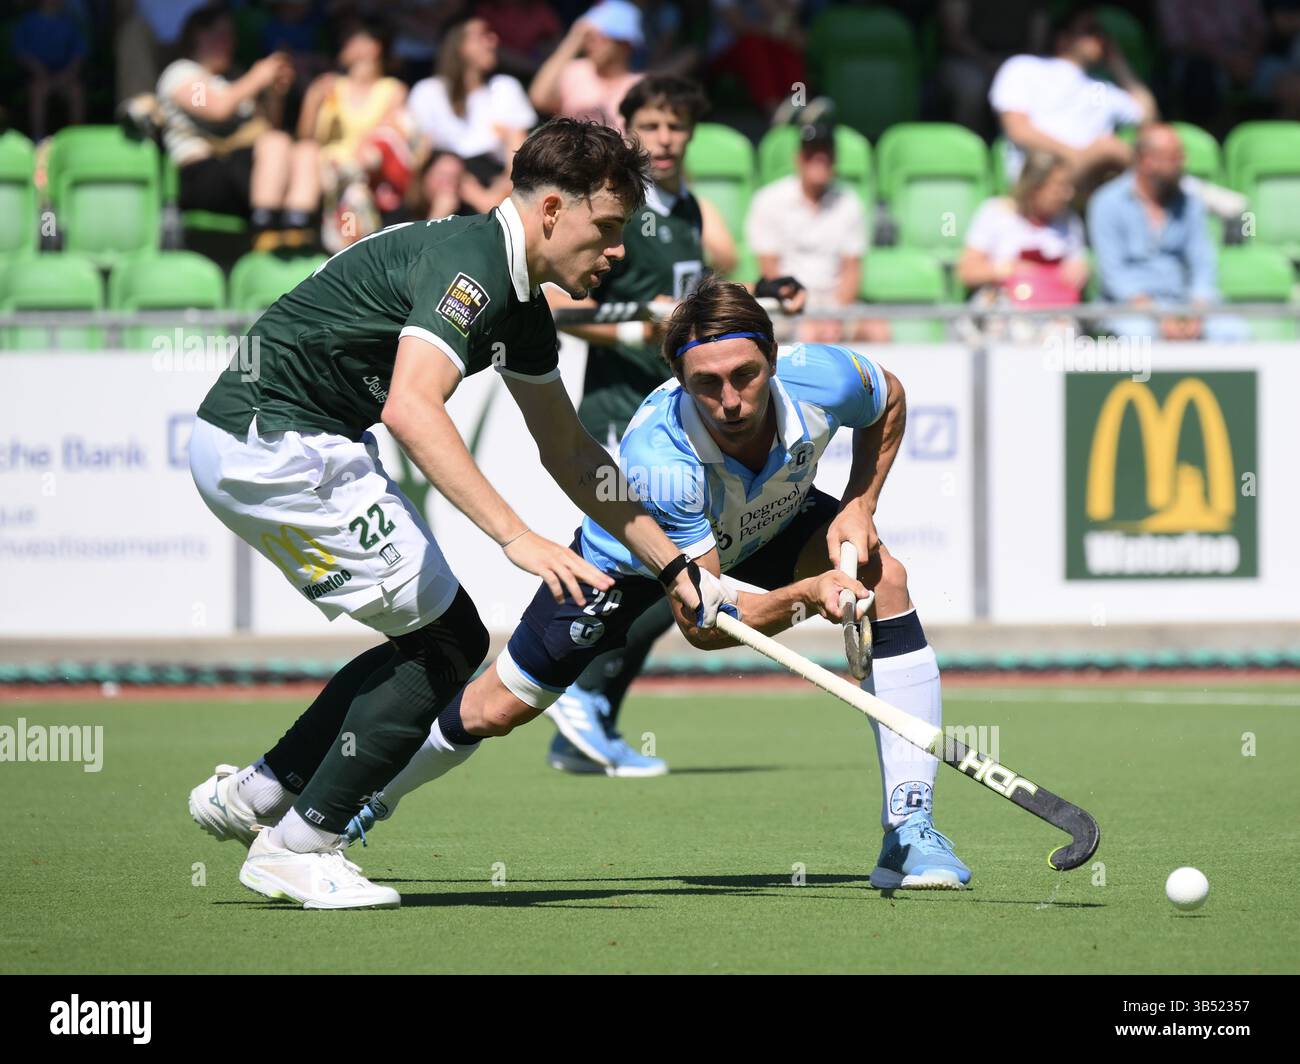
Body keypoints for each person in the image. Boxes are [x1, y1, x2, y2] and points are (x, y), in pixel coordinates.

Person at [185, 119, 726, 910]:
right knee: (450, 642)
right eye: (606, 230)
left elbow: (572, 453)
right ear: (550, 212)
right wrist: (516, 537)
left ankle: (264, 793)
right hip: (272, 440)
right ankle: (298, 847)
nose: (616, 253)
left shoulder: (520, 306)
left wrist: (672, 563)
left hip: (289, 440)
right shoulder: (470, 266)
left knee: (431, 637)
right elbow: (411, 407)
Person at [346, 277, 974, 892]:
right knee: (496, 708)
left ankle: (910, 829)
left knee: (885, 577)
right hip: (633, 560)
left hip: (771, 514)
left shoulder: (825, 376)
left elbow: (888, 398)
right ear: (680, 380)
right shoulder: (661, 461)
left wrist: (861, 502)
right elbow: (704, 624)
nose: (731, 401)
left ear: (774, 360)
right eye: (707, 384)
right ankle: (366, 799)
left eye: (746, 375)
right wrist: (808, 597)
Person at [540, 75, 740, 776]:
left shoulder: (686, 208)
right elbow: (559, 309)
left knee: (671, 570)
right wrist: (636, 327)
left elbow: (706, 284)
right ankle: (579, 690)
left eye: (675, 127)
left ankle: (582, 729)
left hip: (675, 410)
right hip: (625, 411)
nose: (663, 139)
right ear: (629, 129)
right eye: (649, 126)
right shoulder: (616, 205)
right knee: (672, 570)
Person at [156, 4, 318, 250]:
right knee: (274, 146)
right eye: (222, 35)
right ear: (200, 34)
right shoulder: (182, 72)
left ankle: (296, 226)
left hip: (247, 170)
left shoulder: (235, 78)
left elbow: (269, 129)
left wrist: (275, 93)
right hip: (201, 171)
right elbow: (216, 108)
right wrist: (257, 77)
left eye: (232, 36)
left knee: (305, 150)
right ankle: (265, 227)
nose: (229, 42)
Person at [1088, 124, 1248, 342]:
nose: (1182, 164)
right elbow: (1113, 274)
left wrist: (1197, 310)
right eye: (1174, 158)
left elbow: (1203, 263)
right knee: (1140, 335)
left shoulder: (1190, 201)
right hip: (1127, 306)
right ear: (1146, 161)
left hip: (1183, 303)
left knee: (1231, 331)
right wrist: (1156, 315)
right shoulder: (1107, 203)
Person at [745, 119, 888, 345]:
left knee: (878, 329)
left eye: (826, 154)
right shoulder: (769, 200)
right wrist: (805, 312)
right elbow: (771, 273)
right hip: (788, 300)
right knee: (807, 334)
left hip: (836, 301)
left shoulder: (849, 203)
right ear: (799, 158)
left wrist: (835, 316)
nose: (820, 160)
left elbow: (851, 270)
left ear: (834, 160)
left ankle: (871, 381)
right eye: (812, 153)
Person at [990, 5, 1156, 193]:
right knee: (1112, 150)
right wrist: (1079, 155)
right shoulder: (1025, 67)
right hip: (1037, 175)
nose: (1099, 39)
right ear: (1064, 38)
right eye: (1089, 31)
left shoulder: (1098, 88)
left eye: (1101, 33)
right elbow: (1017, 129)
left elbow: (1147, 116)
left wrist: (1117, 62)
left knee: (1143, 152)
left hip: (1094, 182)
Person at [299, 18, 412, 251]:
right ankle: (352, 253)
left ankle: (347, 250)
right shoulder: (329, 86)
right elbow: (306, 137)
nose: (344, 44)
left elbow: (387, 136)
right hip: (328, 168)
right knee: (349, 188)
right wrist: (313, 98)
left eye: (352, 39)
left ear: (373, 47)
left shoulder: (393, 89)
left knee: (354, 191)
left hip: (366, 170)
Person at [407, 16, 537, 217]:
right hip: (443, 181)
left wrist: (489, 195)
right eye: (482, 35)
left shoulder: (504, 88)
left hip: (492, 180)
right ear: (459, 44)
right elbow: (419, 155)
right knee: (448, 168)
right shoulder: (428, 92)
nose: (493, 41)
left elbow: (517, 157)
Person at [958, 150, 1088, 305]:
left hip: (1053, 308)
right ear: (1034, 188)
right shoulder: (995, 212)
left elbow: (1077, 265)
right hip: (1005, 307)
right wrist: (1013, 270)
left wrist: (1078, 271)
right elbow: (967, 272)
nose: (1068, 194)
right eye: (1059, 187)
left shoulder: (1069, 221)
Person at [528, 0, 643, 126]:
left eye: (600, 38)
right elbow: (539, 99)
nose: (590, 44)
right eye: (588, 38)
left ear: (624, 44)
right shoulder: (576, 71)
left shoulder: (640, 85)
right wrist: (573, 39)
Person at [11, 0, 87, 141]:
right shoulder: (28, 22)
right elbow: (21, 52)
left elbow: (79, 54)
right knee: (37, 90)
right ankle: (38, 139)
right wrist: (37, 69)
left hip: (64, 75)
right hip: (37, 76)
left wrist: (67, 73)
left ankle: (77, 138)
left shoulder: (69, 22)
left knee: (76, 91)